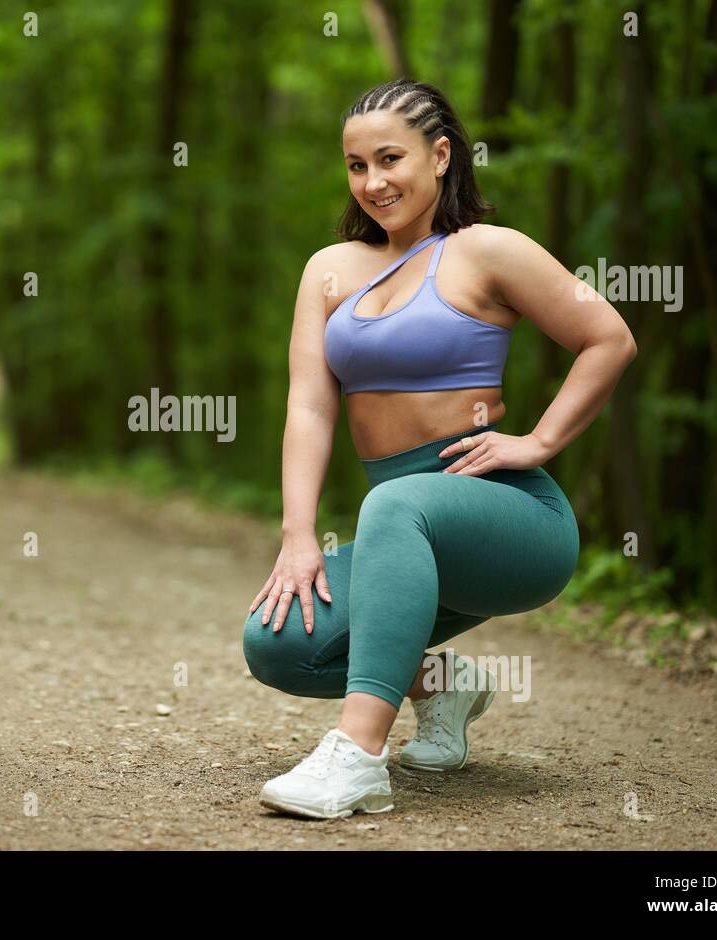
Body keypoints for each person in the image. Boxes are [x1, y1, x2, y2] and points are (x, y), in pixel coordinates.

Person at [242, 77, 637, 819]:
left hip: (508, 517)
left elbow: (608, 337)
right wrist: (297, 535)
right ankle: (442, 682)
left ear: (442, 154)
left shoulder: (488, 250)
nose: (374, 182)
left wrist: (541, 439)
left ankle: (358, 759)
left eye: (391, 159)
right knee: (278, 643)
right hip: (406, 530)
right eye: (357, 165)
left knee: (393, 504)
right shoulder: (328, 270)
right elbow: (309, 406)